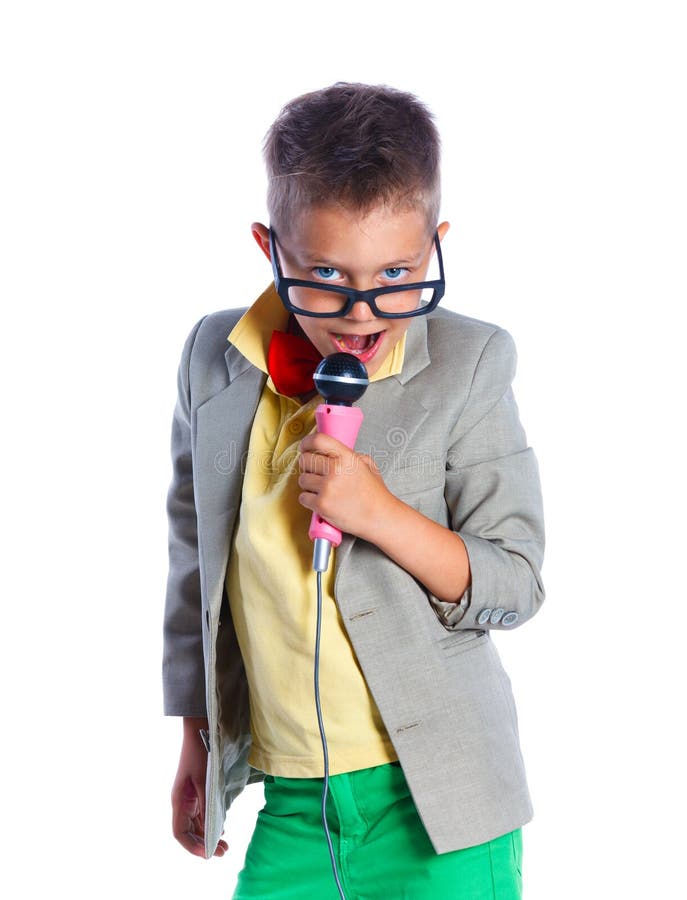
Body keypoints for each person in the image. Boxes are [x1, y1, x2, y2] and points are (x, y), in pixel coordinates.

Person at [162, 82, 546, 899]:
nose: (362, 311)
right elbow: (194, 561)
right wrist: (198, 737)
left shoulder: (471, 365)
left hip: (435, 803)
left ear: (434, 244)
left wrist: (382, 517)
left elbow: (515, 583)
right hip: (294, 802)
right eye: (327, 273)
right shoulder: (212, 357)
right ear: (271, 248)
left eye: (397, 273)